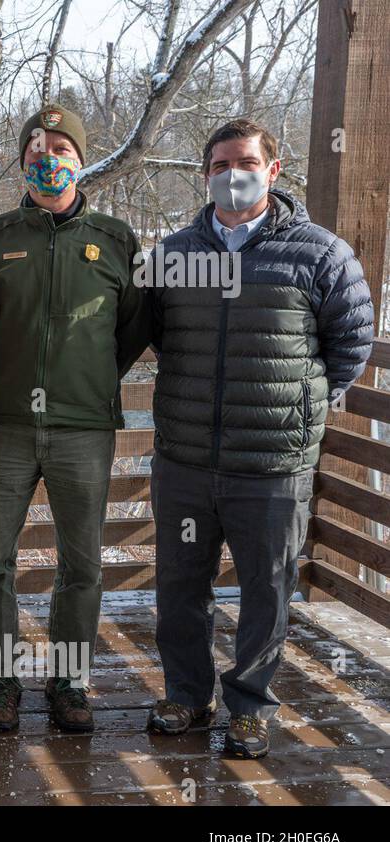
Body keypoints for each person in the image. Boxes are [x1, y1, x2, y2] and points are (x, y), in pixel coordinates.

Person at [147, 118, 373, 759]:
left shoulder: (321, 253)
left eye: (244, 162)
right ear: (206, 174)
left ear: (273, 171)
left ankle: (250, 705)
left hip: (272, 463)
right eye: (219, 164)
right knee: (179, 585)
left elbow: (350, 344)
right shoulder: (173, 255)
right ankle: (187, 696)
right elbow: (165, 336)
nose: (231, 174)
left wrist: (297, 401)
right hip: (187, 458)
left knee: (267, 588)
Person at [0, 104, 150, 733]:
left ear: (81, 160)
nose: (50, 160)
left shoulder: (117, 240)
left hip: (83, 431)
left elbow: (129, 332)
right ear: (22, 162)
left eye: (62, 151)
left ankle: (70, 682)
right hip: (4, 426)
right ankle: (0, 679)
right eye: (37, 151)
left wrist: (87, 380)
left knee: (84, 566)